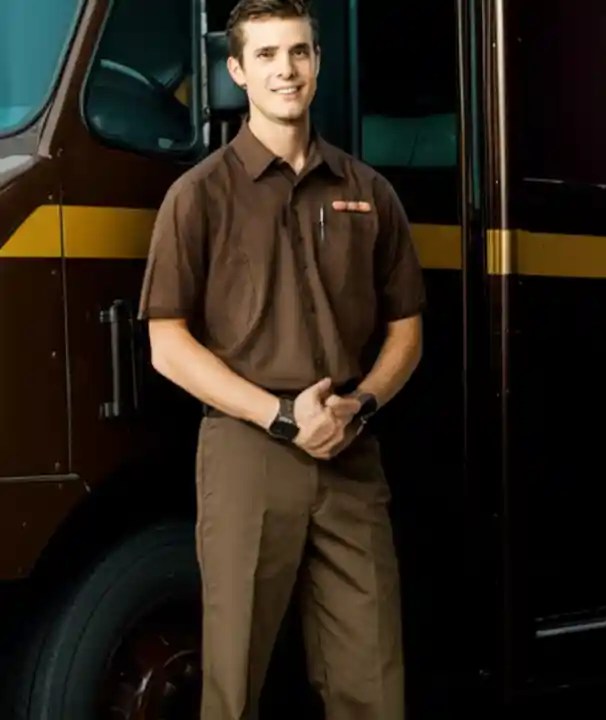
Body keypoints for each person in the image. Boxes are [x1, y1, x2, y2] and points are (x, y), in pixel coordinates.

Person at [138, 0, 424, 717]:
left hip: (352, 451)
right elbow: (166, 343)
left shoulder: (370, 193)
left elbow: (407, 332)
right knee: (233, 684)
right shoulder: (196, 196)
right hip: (246, 450)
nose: (284, 70)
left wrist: (359, 406)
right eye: (265, 56)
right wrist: (281, 415)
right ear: (235, 71)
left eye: (297, 52)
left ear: (319, 63)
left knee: (375, 684)